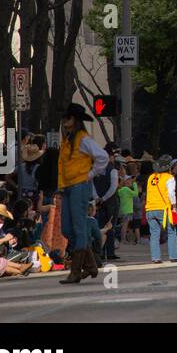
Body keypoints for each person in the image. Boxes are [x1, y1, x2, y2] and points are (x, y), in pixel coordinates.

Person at [56, 103, 109, 283]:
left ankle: (77, 270)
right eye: (64, 118)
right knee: (67, 228)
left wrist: (91, 174)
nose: (64, 121)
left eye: (68, 118)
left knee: (78, 228)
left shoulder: (83, 139)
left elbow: (103, 156)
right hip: (68, 187)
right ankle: (90, 263)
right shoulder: (67, 140)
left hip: (79, 185)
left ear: (76, 121)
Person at [143, 157, 177, 265]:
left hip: (150, 209)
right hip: (164, 208)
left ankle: (156, 258)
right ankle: (173, 256)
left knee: (154, 234)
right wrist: (174, 206)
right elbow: (171, 193)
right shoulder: (169, 178)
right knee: (171, 231)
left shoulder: (151, 177)